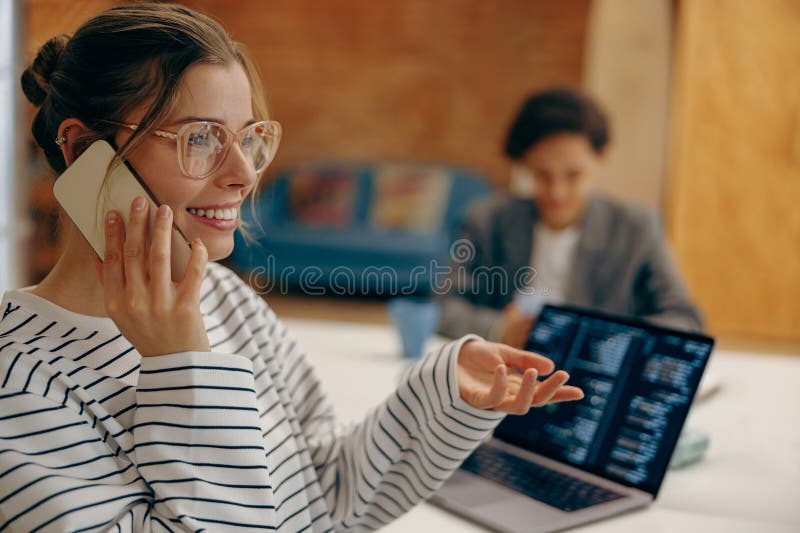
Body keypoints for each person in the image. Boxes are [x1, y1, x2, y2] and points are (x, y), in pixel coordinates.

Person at [0, 5, 584, 532]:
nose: (244, 175)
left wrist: (443, 396)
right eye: (200, 138)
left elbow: (324, 494)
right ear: (80, 151)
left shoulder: (227, 300)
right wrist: (181, 366)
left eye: (248, 138)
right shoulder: (20, 390)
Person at [439, 88, 703, 348]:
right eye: (542, 174)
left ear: (601, 158)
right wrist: (499, 329)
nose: (557, 191)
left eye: (574, 175)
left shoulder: (635, 228)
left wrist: (604, 338)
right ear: (524, 165)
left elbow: (684, 318)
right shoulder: (487, 221)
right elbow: (442, 305)